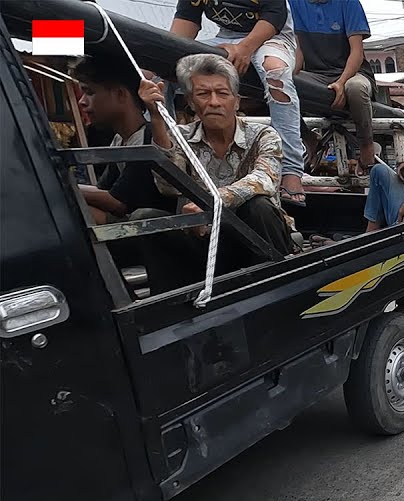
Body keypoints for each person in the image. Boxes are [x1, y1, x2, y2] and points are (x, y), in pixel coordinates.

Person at [138, 54, 294, 291]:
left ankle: (278, 290)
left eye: (222, 93)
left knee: (258, 206)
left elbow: (263, 180)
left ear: (236, 101)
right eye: (203, 94)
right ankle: (171, 308)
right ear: (191, 102)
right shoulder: (181, 136)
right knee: (144, 217)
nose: (214, 102)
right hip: (204, 240)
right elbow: (167, 186)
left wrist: (211, 201)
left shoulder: (264, 135)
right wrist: (157, 119)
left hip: (254, 241)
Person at [171, 0, 307, 207]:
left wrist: (244, 48)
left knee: (275, 73)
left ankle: (291, 169)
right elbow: (186, 21)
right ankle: (163, 147)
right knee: (161, 68)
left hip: (273, 37)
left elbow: (275, 14)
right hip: (225, 35)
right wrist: (165, 54)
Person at [69, 54, 171, 225]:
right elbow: (104, 189)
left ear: (121, 95)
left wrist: (64, 186)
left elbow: (118, 203)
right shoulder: (120, 139)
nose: (82, 101)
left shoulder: (148, 138)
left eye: (90, 92)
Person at [289, 0, 376, 170]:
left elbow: (356, 53)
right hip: (316, 75)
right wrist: (289, 75)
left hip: (354, 73)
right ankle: (308, 137)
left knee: (356, 89)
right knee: (279, 82)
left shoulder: (348, 3)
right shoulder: (294, 4)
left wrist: (342, 81)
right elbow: (297, 51)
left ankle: (366, 145)